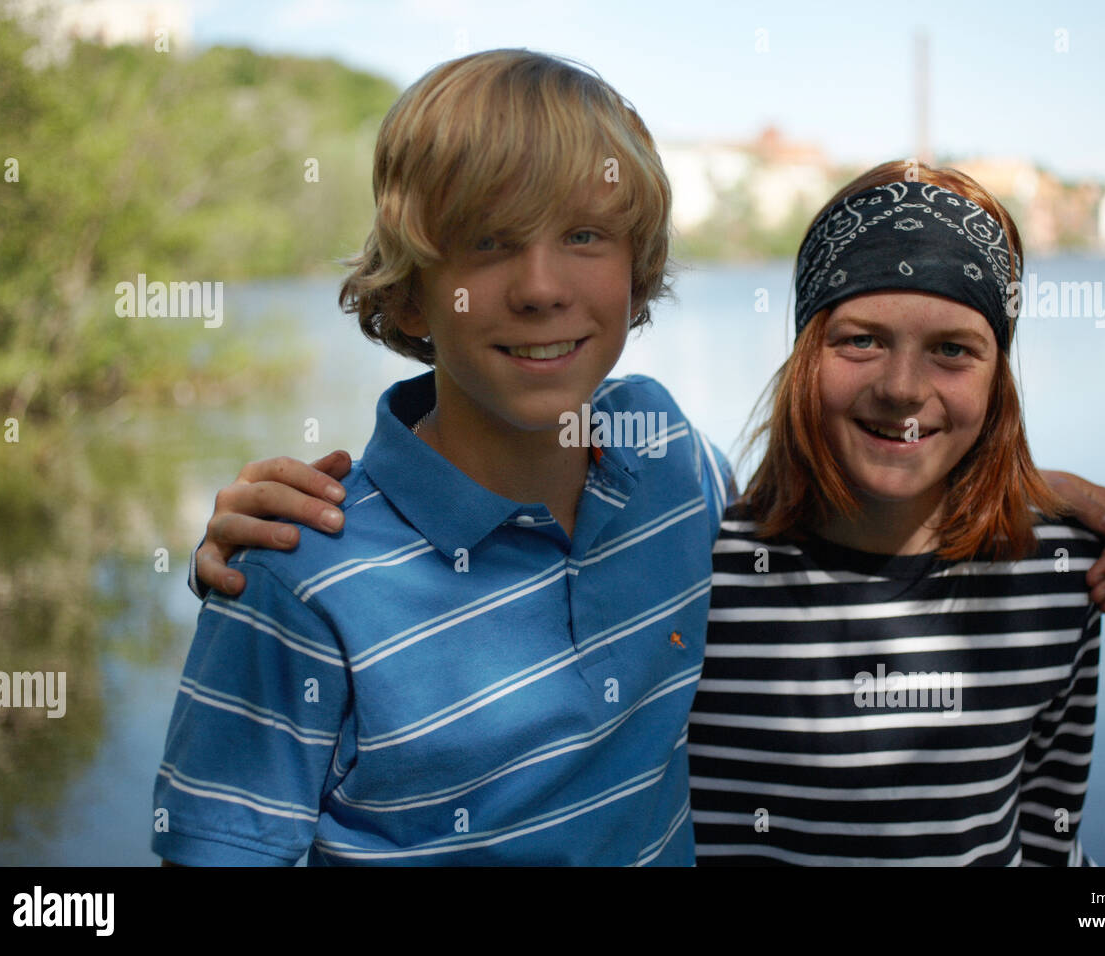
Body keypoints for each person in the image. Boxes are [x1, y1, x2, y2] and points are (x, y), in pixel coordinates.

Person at [152, 48, 732, 866]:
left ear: (637, 275)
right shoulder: (297, 569)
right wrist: (245, 588)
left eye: (584, 235)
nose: (540, 287)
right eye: (488, 242)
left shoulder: (673, 459)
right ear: (411, 295)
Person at [690, 162, 1105, 865]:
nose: (903, 388)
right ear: (804, 357)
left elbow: (1049, 831)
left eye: (952, 349)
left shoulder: (1061, 573)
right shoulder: (694, 579)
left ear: (998, 377)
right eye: (862, 340)